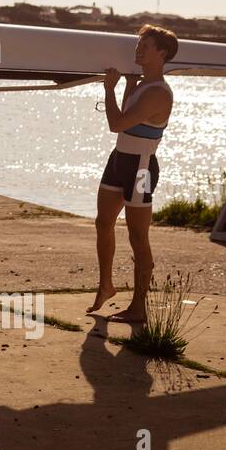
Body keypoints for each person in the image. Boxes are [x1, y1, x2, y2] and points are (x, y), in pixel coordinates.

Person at [88, 24, 177, 324]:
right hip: (119, 160)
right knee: (103, 223)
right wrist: (126, 84)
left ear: (162, 53)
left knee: (138, 235)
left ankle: (139, 307)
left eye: (145, 46)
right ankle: (106, 286)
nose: (138, 50)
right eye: (138, 44)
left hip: (141, 166)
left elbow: (117, 123)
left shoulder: (159, 94)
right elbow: (125, 118)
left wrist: (109, 88)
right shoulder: (139, 85)